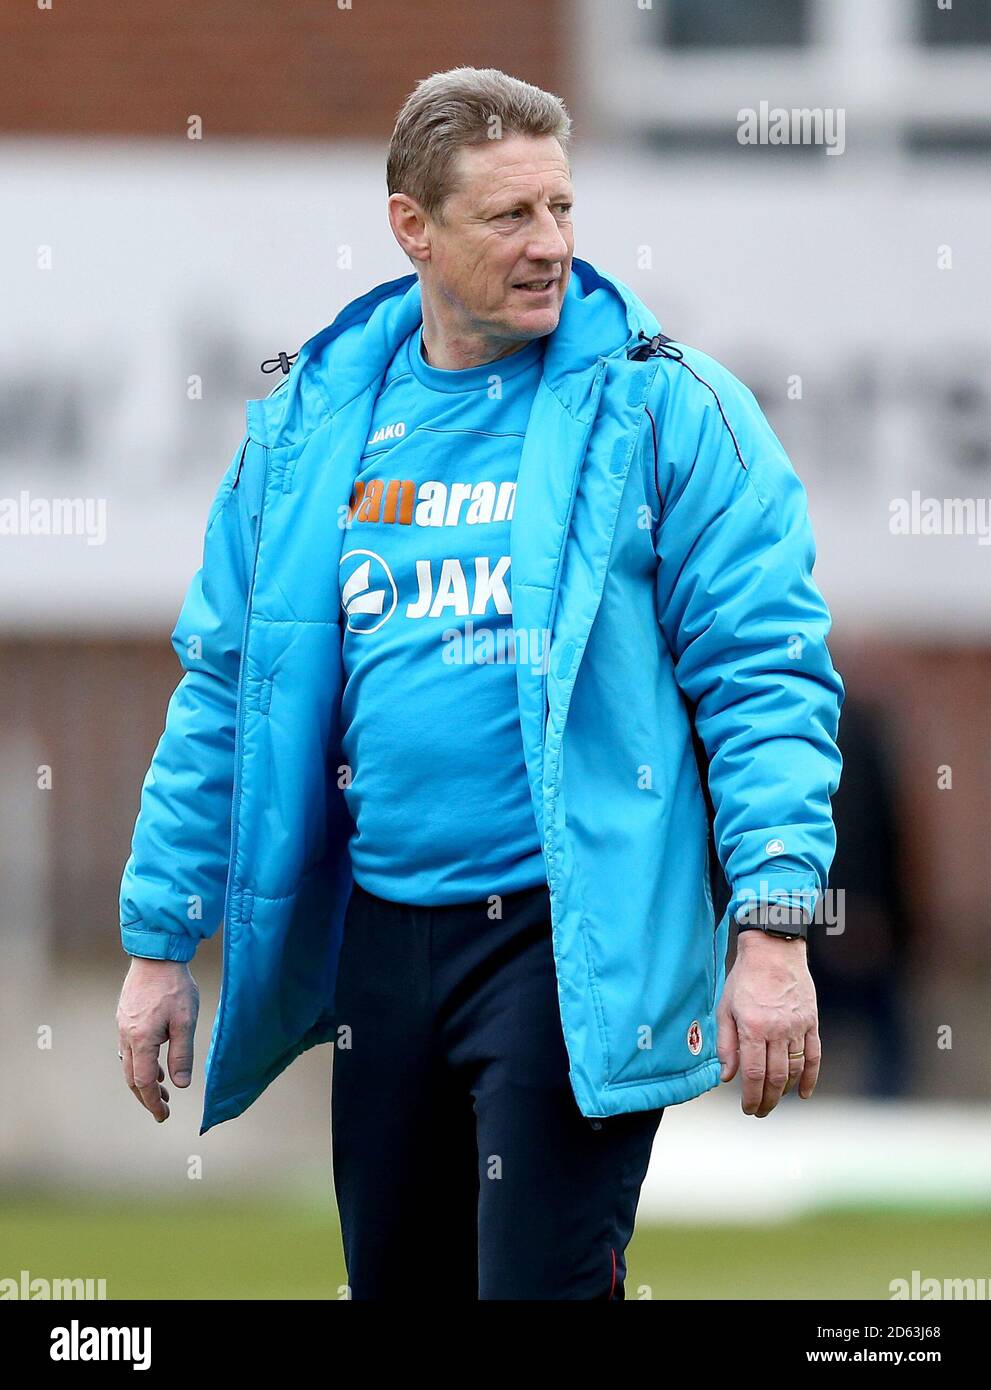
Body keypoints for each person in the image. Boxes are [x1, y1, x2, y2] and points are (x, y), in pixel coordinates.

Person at [116, 66, 844, 1300]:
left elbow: (765, 672)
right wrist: (155, 940)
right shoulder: (309, 426)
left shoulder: (666, 407)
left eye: (561, 208)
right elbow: (224, 691)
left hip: (564, 938)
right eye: (510, 217)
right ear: (413, 225)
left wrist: (773, 932)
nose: (550, 244)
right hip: (384, 943)